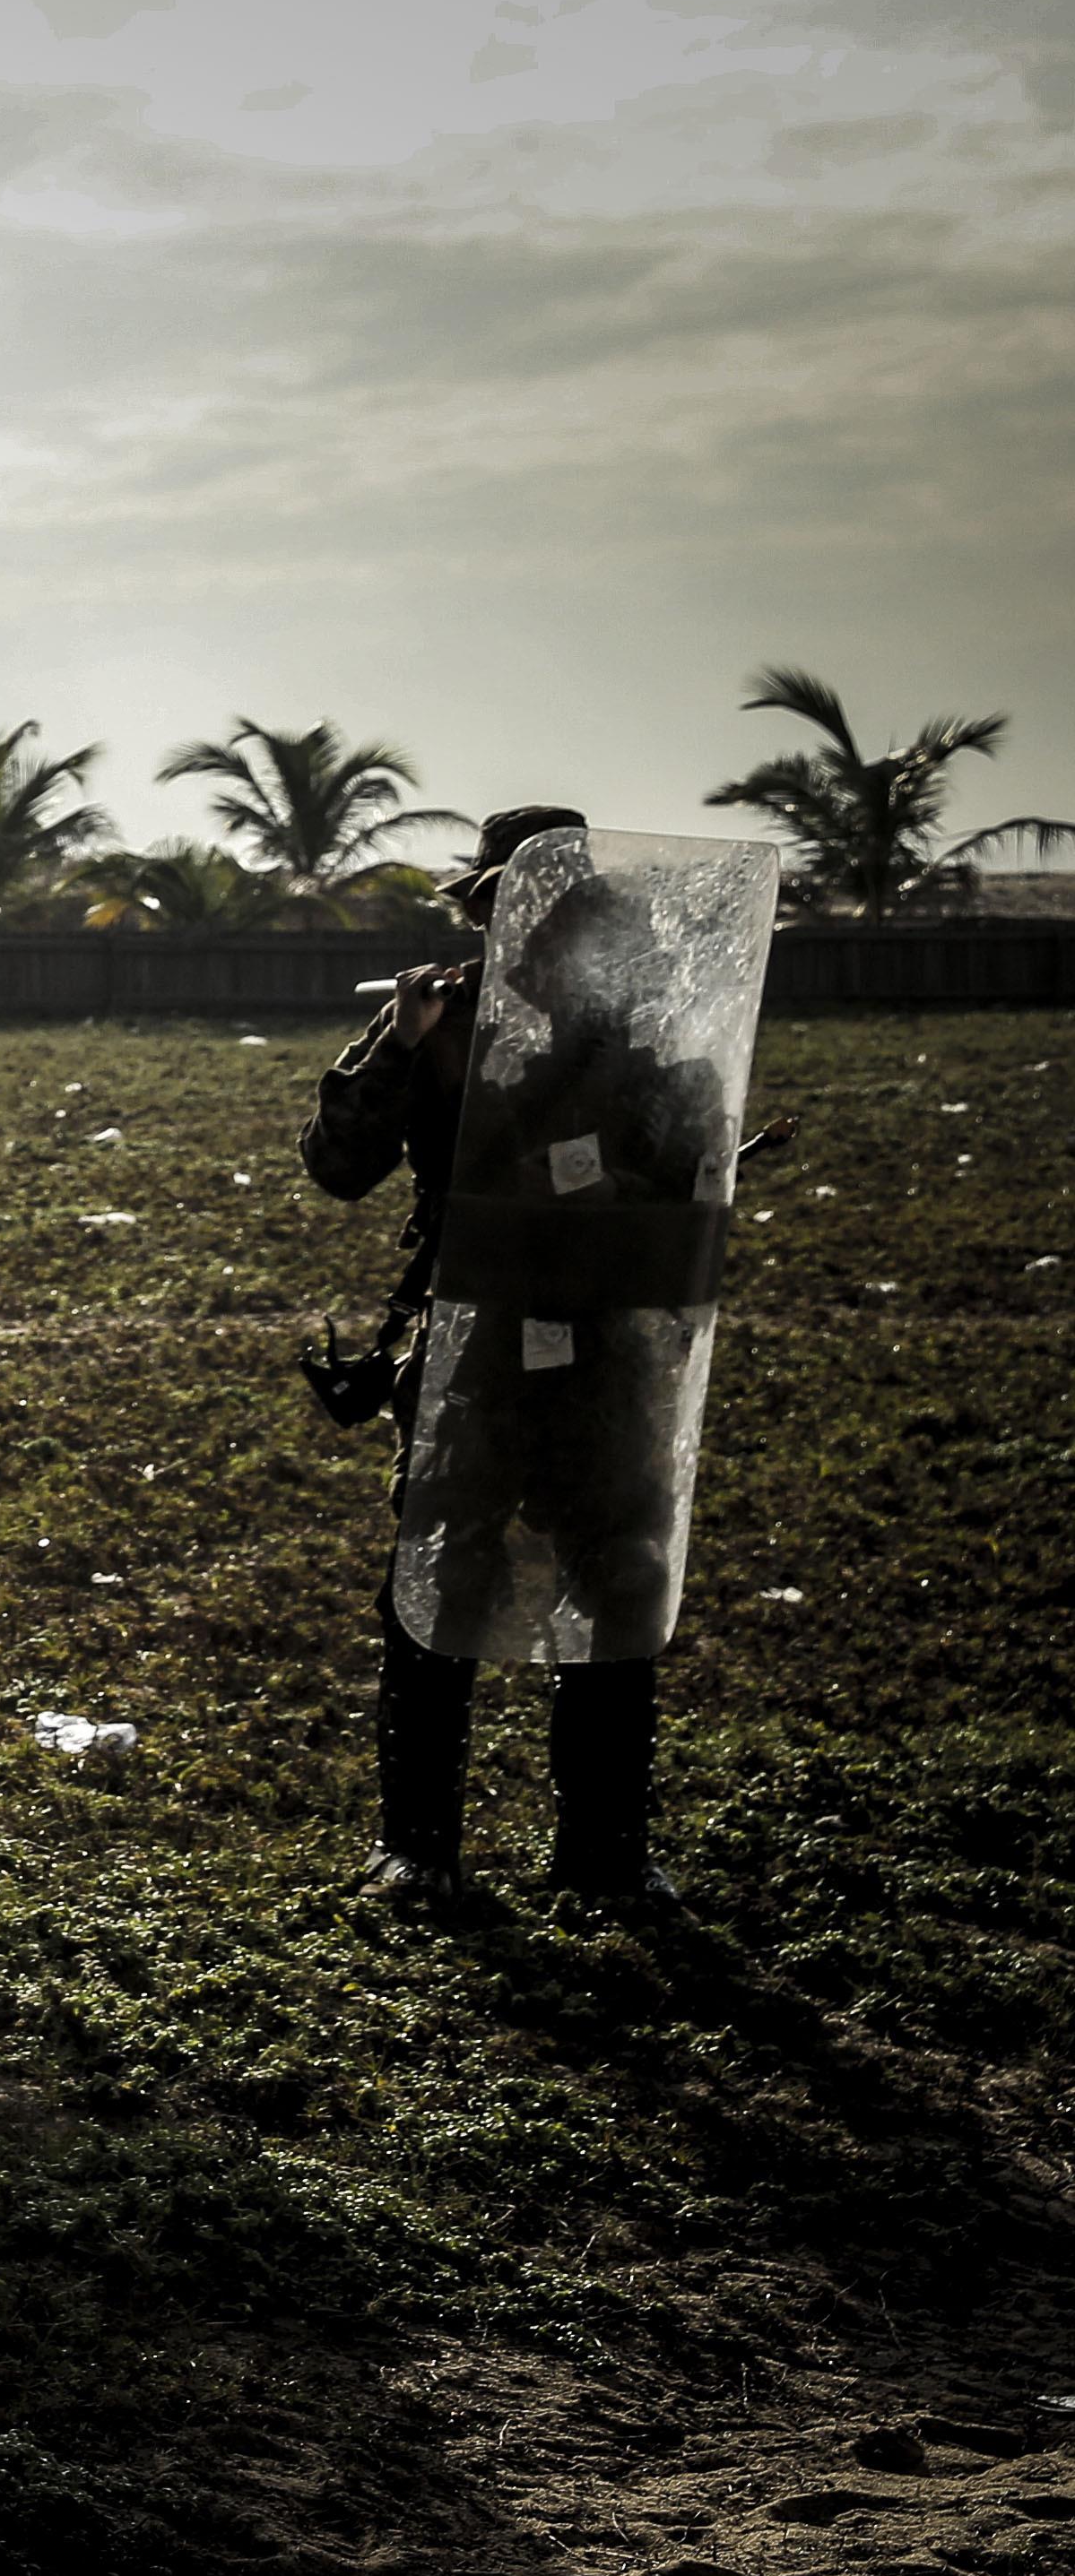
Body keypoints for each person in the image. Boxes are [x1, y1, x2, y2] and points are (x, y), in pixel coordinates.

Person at [305, 804, 720, 1912]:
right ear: (487, 917)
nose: (536, 933)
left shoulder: (644, 1045)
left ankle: (604, 1858)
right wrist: (397, 1044)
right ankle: (417, 1848)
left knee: (617, 1589)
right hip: (469, 1355)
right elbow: (336, 1164)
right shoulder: (434, 1031)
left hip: (604, 1357)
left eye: (560, 912)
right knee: (436, 1582)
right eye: (511, 910)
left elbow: (690, 1200)